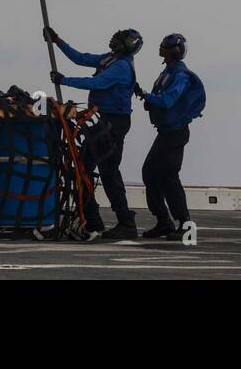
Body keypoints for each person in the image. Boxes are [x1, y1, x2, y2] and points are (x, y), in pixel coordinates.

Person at [46, 25, 142, 241]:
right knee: (94, 170)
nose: (114, 39)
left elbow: (96, 83)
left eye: (120, 38)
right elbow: (81, 58)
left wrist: (64, 80)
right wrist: (57, 41)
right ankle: (100, 219)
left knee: (94, 169)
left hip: (112, 123)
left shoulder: (122, 67)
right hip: (102, 122)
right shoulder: (109, 59)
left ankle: (114, 221)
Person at [135, 33, 206, 239]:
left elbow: (168, 100)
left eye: (164, 46)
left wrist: (147, 96)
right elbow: (161, 99)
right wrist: (149, 99)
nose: (161, 48)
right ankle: (164, 221)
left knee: (168, 177)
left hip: (175, 133)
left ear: (173, 51)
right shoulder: (167, 72)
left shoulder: (181, 75)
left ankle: (184, 223)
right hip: (166, 132)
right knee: (150, 173)